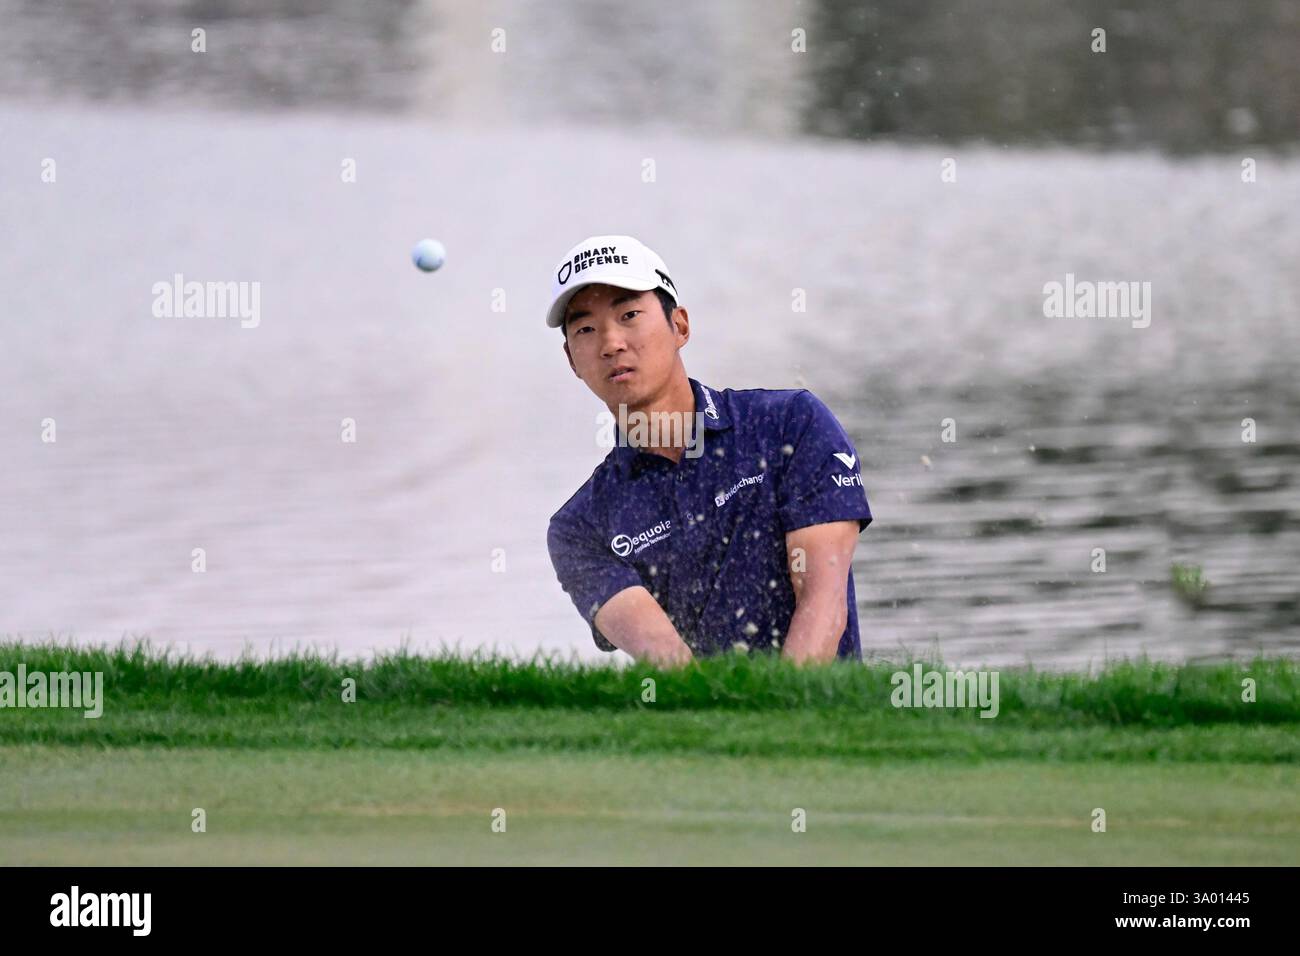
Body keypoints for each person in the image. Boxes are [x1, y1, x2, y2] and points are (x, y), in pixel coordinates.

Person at [545, 235, 873, 667]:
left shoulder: (790, 424)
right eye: (586, 329)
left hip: (821, 718)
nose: (610, 343)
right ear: (572, 360)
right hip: (705, 728)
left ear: (679, 326)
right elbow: (673, 665)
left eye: (629, 315)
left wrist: (785, 718)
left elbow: (823, 605)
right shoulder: (580, 527)